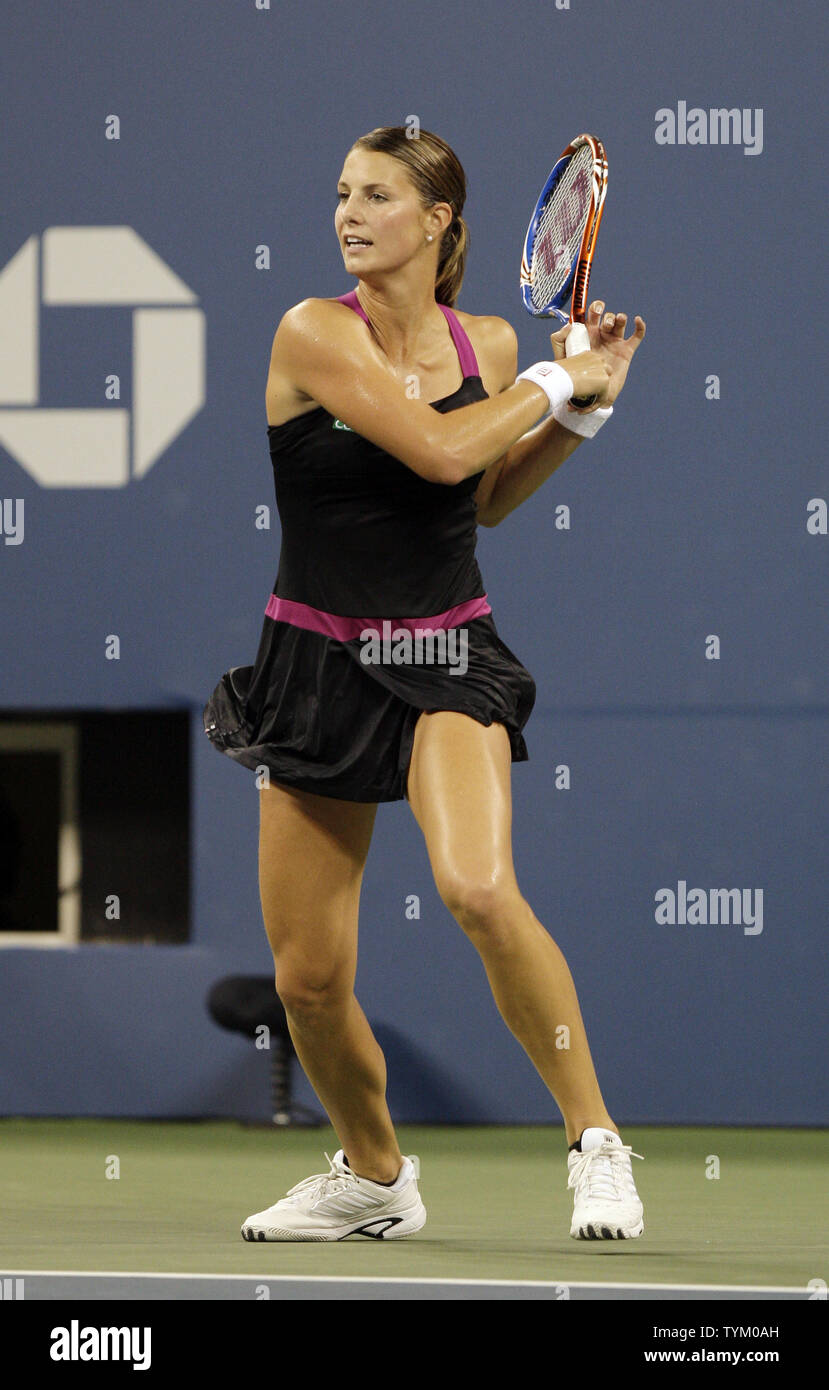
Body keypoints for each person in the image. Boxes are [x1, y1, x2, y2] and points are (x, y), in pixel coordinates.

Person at [203, 126, 647, 1243]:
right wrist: (557, 377)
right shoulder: (312, 332)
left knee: (478, 888)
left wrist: (580, 413)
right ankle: (373, 1175)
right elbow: (440, 455)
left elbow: (484, 495)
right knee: (307, 980)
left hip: (445, 650)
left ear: (438, 220)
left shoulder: (487, 343)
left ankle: (594, 1143)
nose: (349, 214)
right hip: (312, 662)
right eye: (342, 194)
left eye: (378, 196)